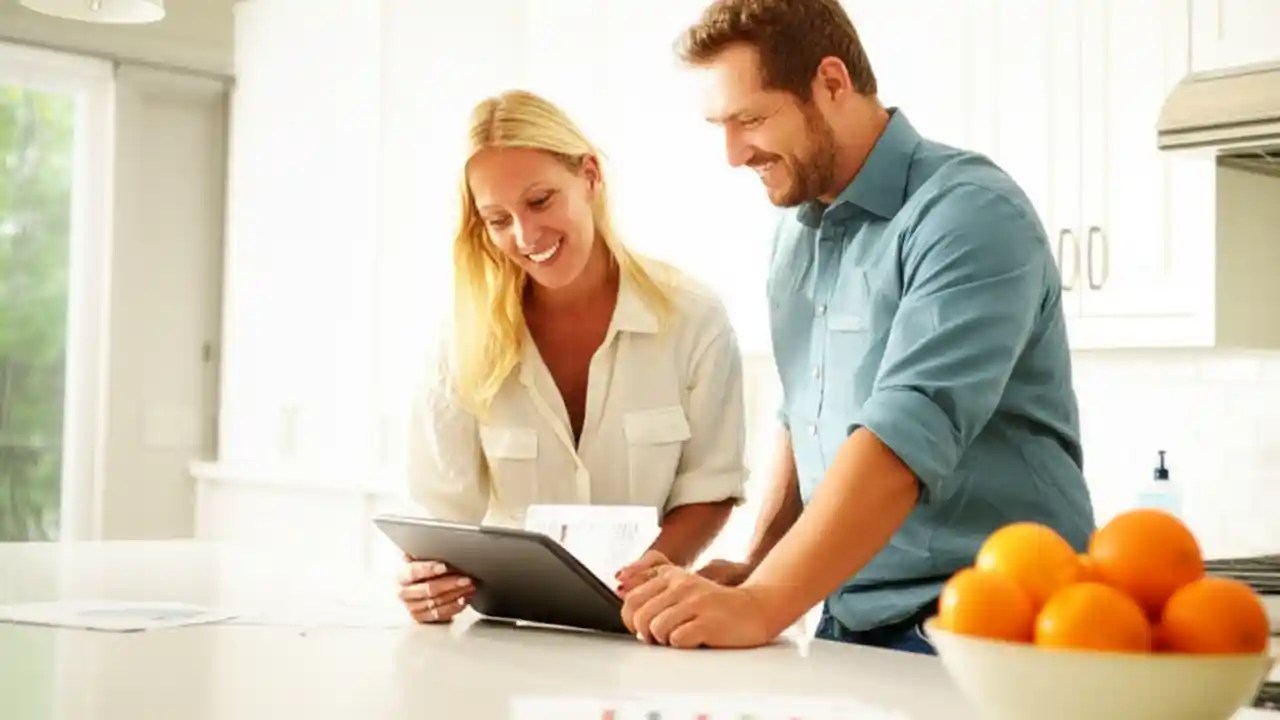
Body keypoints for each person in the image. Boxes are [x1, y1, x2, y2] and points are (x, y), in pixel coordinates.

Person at [620, 0, 1096, 653]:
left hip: (997, 625)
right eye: (720, 126)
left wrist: (761, 604)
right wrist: (759, 564)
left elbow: (903, 437)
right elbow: (805, 418)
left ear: (831, 82)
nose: (732, 154)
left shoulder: (969, 214)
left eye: (751, 119)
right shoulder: (796, 235)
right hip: (850, 618)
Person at [396, 89, 749, 624]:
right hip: (508, 640)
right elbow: (441, 514)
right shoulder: (460, 338)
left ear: (589, 176)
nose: (525, 235)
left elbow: (711, 486)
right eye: (498, 219)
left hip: (644, 626)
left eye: (540, 201)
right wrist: (426, 584)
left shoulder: (693, 319)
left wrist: (649, 571)